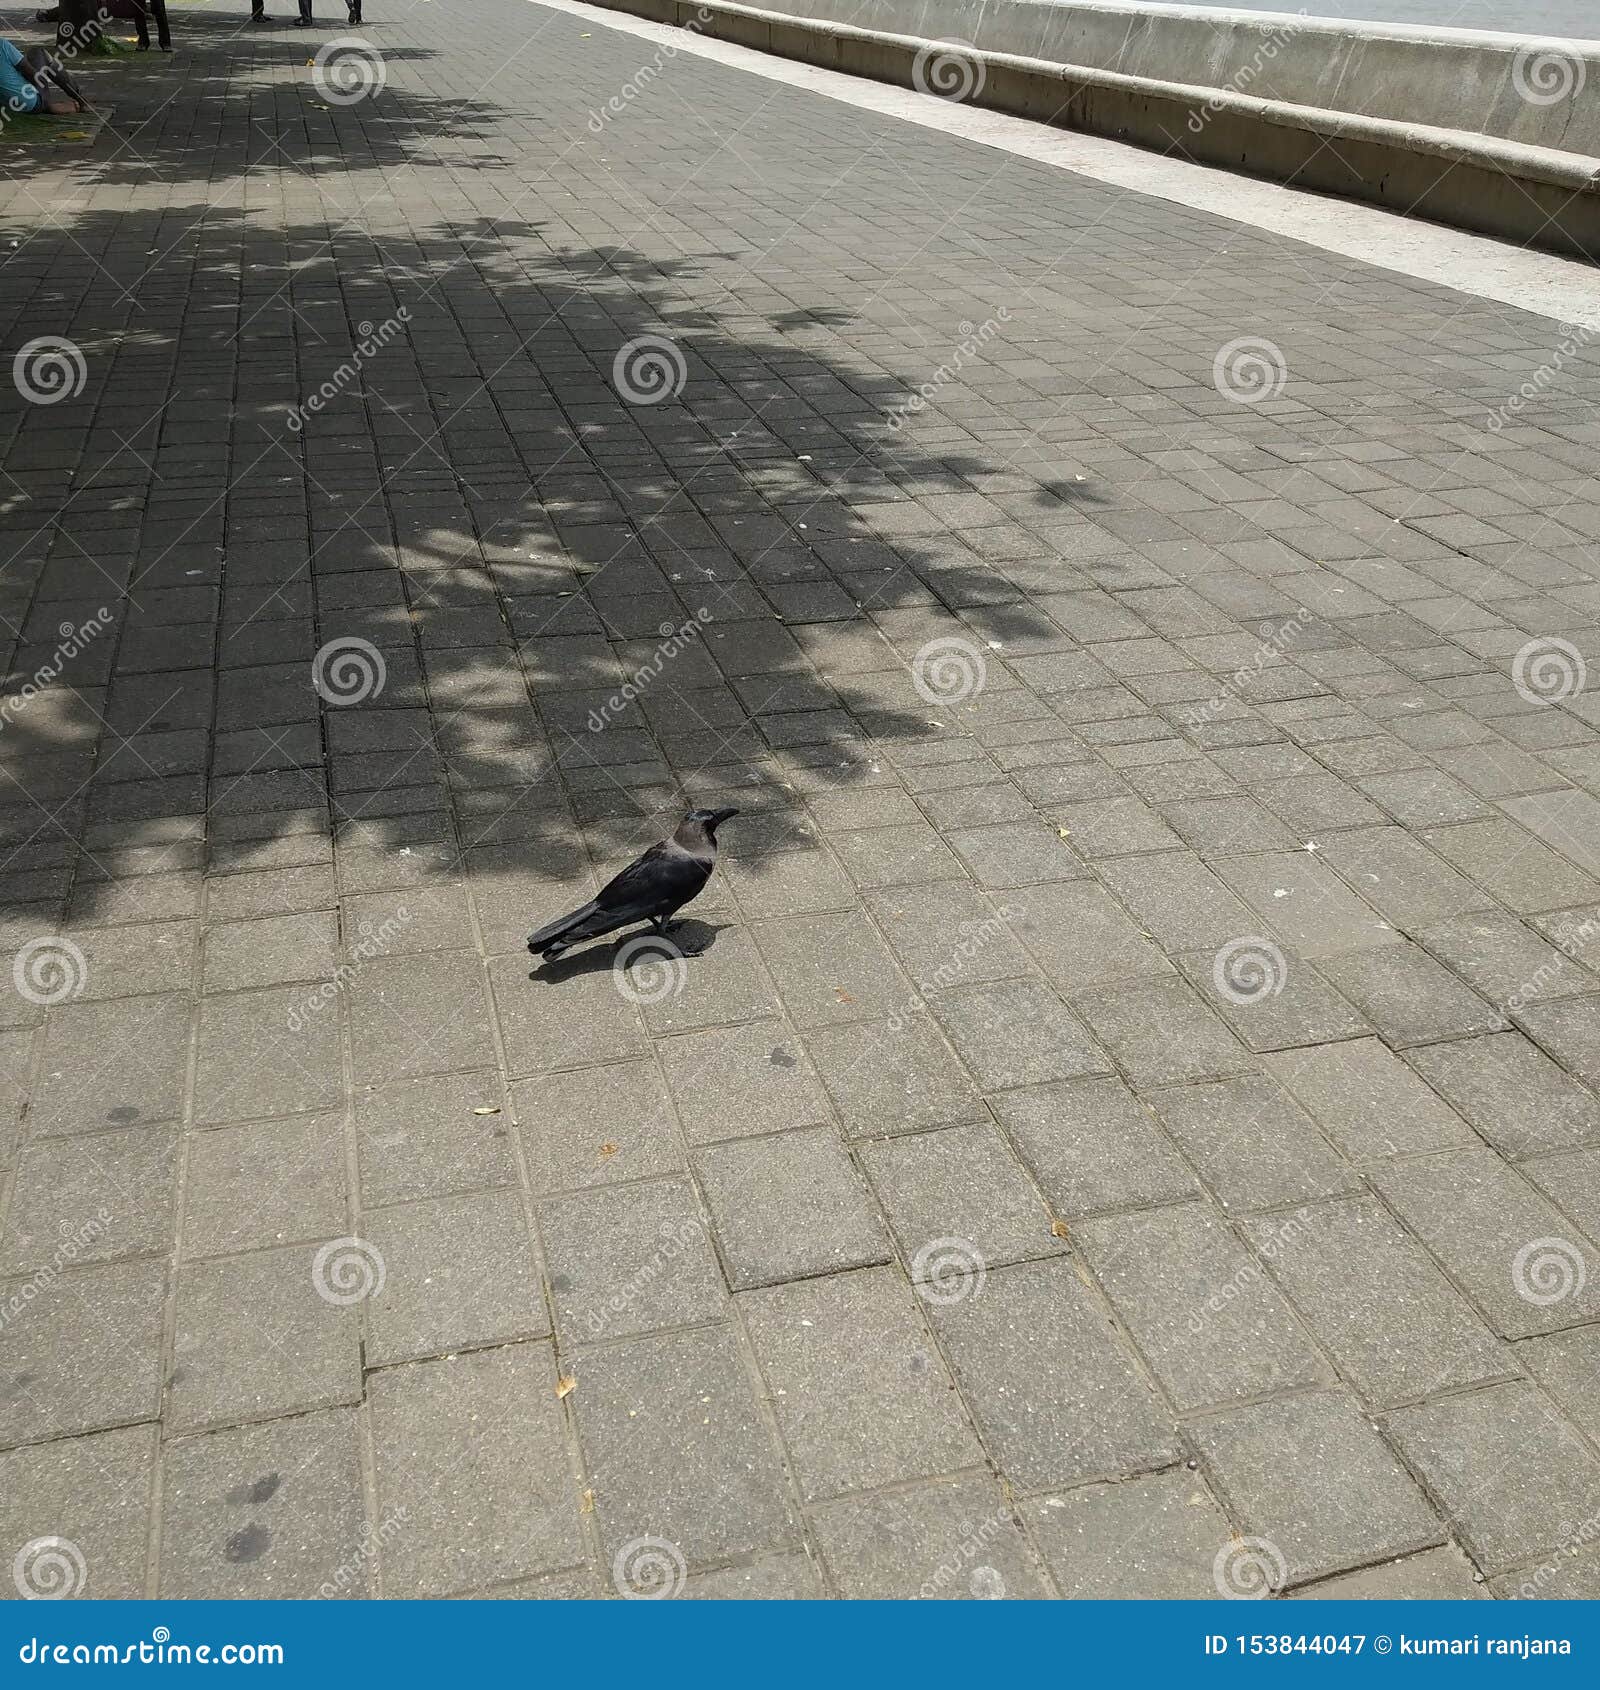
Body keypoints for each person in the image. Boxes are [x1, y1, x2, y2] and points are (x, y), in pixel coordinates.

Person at [1, 37, 88, 114]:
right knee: (39, 53)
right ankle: (80, 99)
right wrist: (43, 92)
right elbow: (29, 72)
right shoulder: (2, 44)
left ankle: (45, 104)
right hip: (31, 102)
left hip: (8, 107)